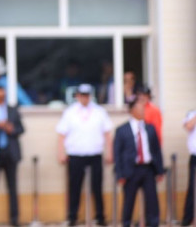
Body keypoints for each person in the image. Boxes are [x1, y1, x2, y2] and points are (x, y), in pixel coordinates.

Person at [57, 84, 112, 226]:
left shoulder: (99, 111)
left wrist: (109, 152)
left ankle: (100, 216)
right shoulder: (70, 112)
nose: (84, 98)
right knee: (74, 187)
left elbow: (107, 134)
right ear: (77, 96)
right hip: (76, 154)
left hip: (95, 153)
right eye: (81, 95)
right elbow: (61, 135)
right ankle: (72, 216)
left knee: (97, 187)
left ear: (90, 96)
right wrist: (61, 152)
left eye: (87, 95)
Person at [114, 96, 164, 227]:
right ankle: (126, 223)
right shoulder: (122, 130)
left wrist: (159, 170)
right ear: (131, 111)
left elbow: (157, 150)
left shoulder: (150, 128)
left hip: (148, 169)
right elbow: (117, 154)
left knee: (152, 200)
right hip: (131, 170)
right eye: (139, 108)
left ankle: (153, 223)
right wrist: (120, 174)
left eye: (143, 108)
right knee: (129, 201)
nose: (142, 111)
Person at [0, 85, 24, 226]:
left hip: (10, 152)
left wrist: (11, 128)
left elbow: (21, 128)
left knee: (13, 187)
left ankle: (14, 218)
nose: (0, 96)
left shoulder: (12, 109)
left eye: (2, 93)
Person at [183, 108, 196, 226]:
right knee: (193, 188)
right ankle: (188, 219)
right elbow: (188, 126)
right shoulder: (192, 113)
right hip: (195, 157)